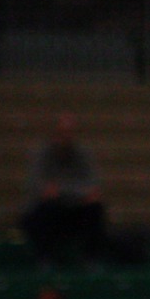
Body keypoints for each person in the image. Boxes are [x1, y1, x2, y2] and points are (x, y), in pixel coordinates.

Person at [19, 113, 106, 267]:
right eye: (62, 133)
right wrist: (75, 192)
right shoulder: (42, 155)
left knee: (95, 209)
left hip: (75, 209)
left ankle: (91, 259)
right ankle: (44, 258)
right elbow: (38, 186)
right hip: (51, 211)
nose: (66, 137)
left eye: (69, 133)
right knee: (42, 212)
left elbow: (93, 187)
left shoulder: (83, 155)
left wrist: (62, 191)